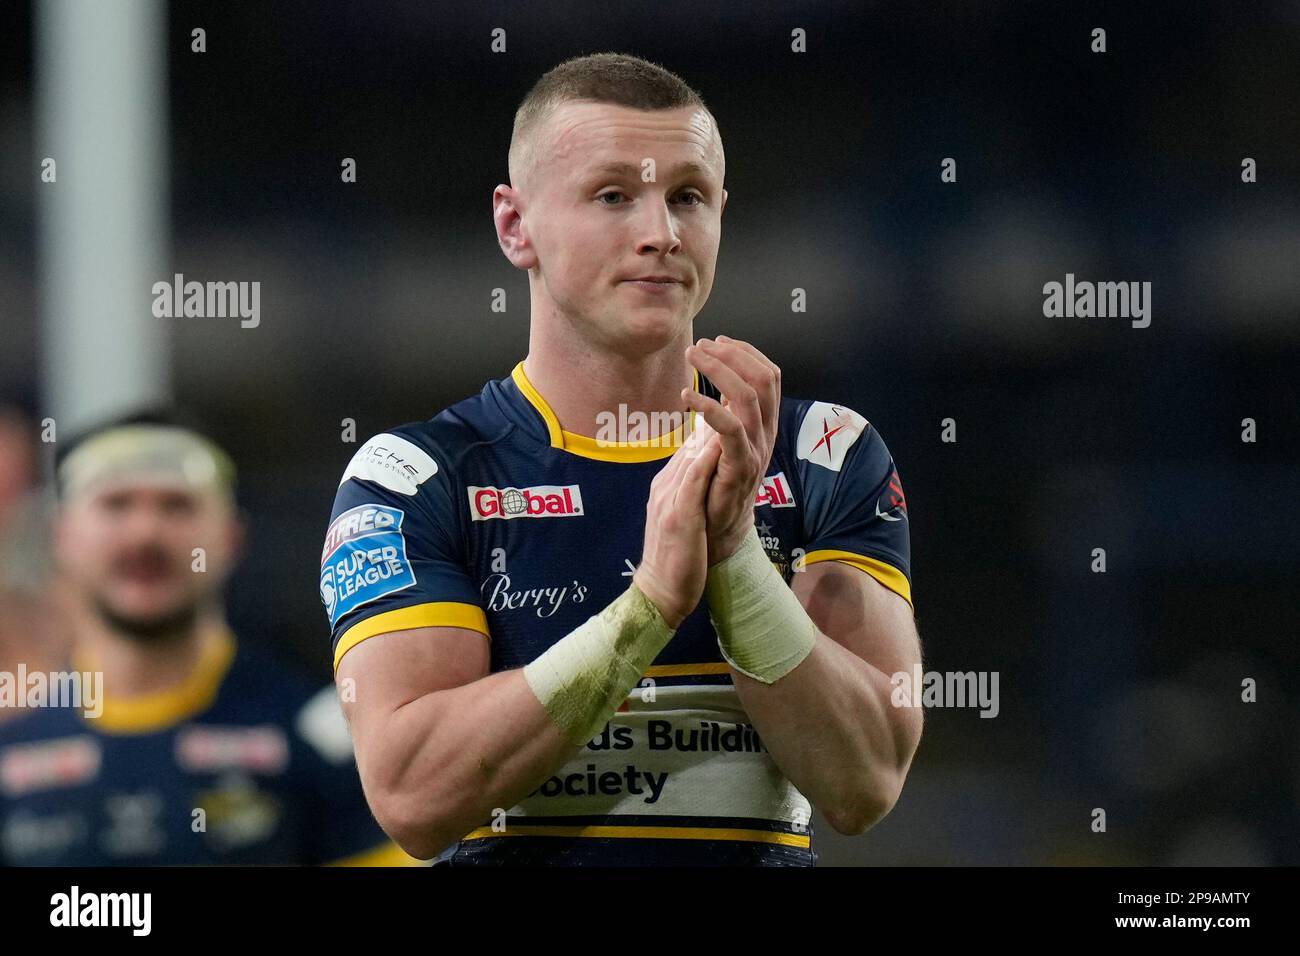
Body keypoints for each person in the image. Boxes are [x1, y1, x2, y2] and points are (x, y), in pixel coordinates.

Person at [325, 52, 922, 866]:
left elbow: (864, 784)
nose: (660, 234)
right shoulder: (417, 476)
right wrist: (646, 610)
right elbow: (415, 797)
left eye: (688, 197)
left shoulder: (825, 452)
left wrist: (737, 559)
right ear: (515, 225)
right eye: (612, 196)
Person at [0, 411, 414, 865]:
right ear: (60, 537)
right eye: (116, 504)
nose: (145, 532)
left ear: (232, 537)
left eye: (177, 505)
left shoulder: (329, 741)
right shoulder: (11, 748)